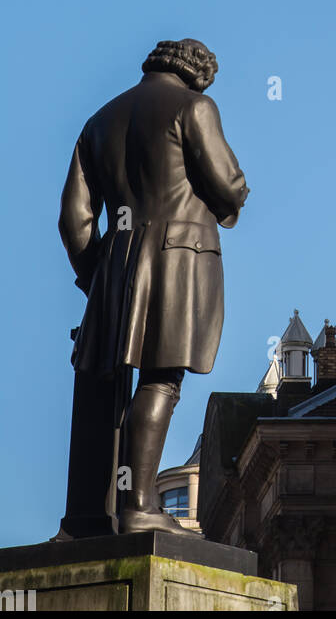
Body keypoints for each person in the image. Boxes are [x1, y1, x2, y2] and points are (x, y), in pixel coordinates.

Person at [57, 38, 249, 537]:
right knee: (162, 379)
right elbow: (228, 185)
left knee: (110, 382)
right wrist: (238, 190)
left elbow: (74, 221)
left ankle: (98, 513)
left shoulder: (98, 122)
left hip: (115, 266)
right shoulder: (195, 108)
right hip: (176, 262)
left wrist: (95, 279)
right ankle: (139, 505)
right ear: (196, 73)